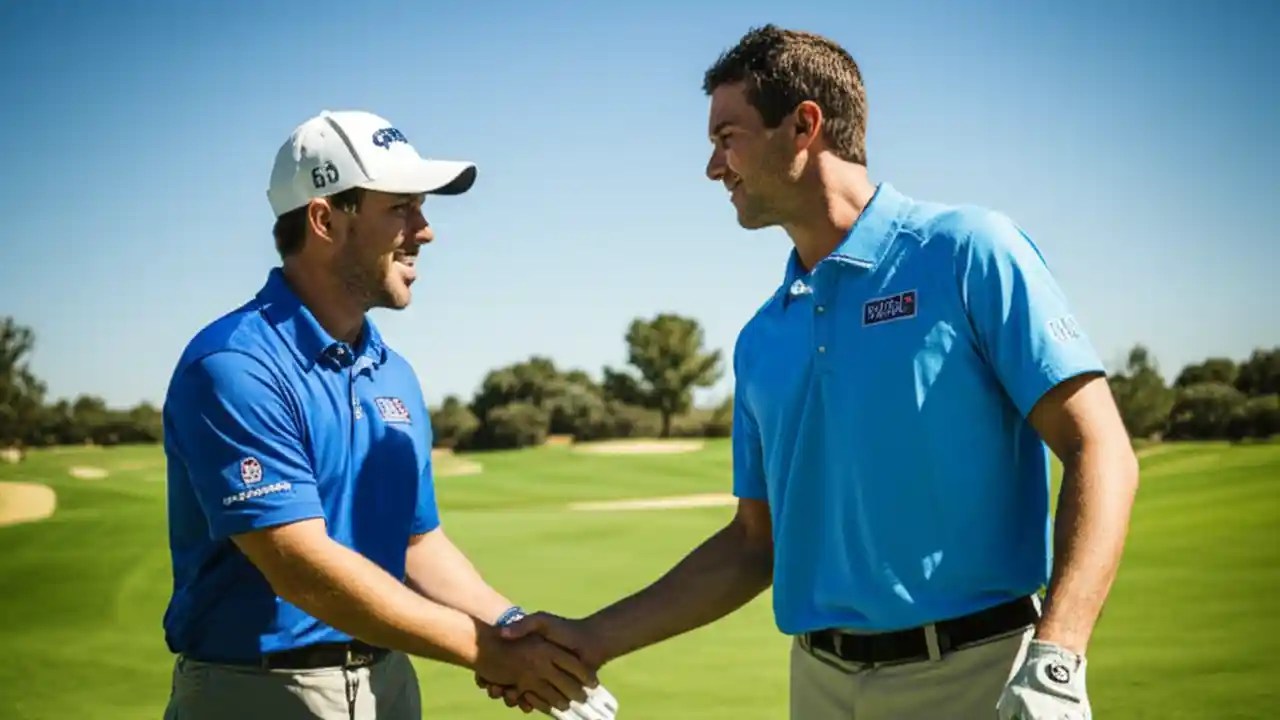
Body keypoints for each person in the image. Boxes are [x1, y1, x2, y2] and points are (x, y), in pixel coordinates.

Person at [486, 25, 1140, 720]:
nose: (714, 166)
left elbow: (1099, 448)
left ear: (804, 124)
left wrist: (1059, 656)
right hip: (820, 685)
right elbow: (751, 545)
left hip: (980, 677)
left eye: (727, 136)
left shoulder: (967, 251)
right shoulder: (763, 336)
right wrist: (591, 639)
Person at [159, 109, 617, 720]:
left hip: (388, 687)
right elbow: (301, 567)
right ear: (324, 219)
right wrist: (488, 653)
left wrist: (513, 630)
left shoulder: (391, 371)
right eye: (401, 208)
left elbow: (417, 543)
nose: (425, 231)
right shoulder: (235, 364)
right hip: (258, 695)